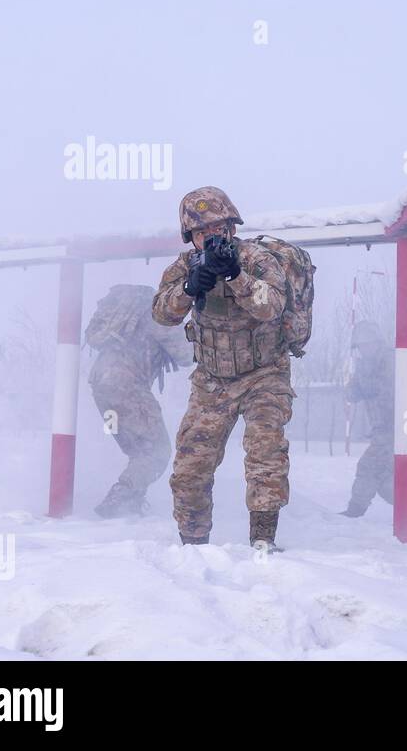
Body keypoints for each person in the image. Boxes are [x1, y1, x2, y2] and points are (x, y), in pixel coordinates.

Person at [152, 186, 293, 549]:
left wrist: (236, 277)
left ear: (231, 226)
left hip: (264, 374)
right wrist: (188, 287)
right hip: (212, 380)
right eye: (202, 232)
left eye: (217, 229)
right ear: (191, 237)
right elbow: (162, 313)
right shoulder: (185, 266)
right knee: (189, 468)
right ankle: (193, 546)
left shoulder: (256, 259)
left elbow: (271, 307)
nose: (211, 237)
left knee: (265, 455)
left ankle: (263, 542)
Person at [85, 284, 192, 518]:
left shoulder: (122, 314)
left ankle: (129, 502)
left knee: (138, 448)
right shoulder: (157, 313)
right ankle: (120, 499)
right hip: (127, 388)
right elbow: (186, 354)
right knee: (157, 451)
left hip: (102, 389)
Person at [340, 320, 407, 518]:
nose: (363, 350)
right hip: (383, 429)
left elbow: (389, 394)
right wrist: (350, 383)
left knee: (368, 467)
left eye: (366, 344)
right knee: (384, 479)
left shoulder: (391, 360)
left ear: (376, 342)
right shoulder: (366, 365)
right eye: (360, 346)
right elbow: (353, 394)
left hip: (398, 427)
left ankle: (354, 511)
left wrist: (363, 383)